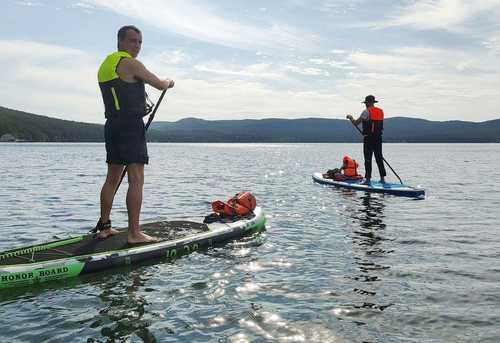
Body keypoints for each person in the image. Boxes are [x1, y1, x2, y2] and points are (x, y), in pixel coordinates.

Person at [94, 25, 174, 243]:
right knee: (136, 179)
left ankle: (105, 227)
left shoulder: (105, 65)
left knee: (112, 178)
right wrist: (169, 82)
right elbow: (159, 84)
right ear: (120, 41)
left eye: (139, 42)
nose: (137, 46)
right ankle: (134, 234)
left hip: (112, 125)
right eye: (132, 41)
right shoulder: (130, 63)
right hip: (130, 127)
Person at [346, 95, 386, 184]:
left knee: (368, 159)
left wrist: (351, 117)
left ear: (368, 103)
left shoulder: (366, 111)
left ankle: (368, 180)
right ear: (373, 102)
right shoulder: (380, 111)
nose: (365, 105)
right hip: (378, 138)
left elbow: (356, 123)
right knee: (379, 158)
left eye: (365, 103)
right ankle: (382, 179)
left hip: (368, 138)